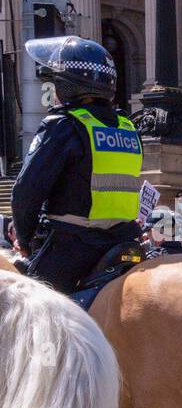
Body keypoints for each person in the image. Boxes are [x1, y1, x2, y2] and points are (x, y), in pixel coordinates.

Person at [10, 36, 143, 295]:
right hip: (125, 242)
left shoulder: (64, 125)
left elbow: (27, 190)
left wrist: (24, 239)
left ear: (68, 86)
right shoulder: (128, 127)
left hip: (74, 247)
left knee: (32, 310)